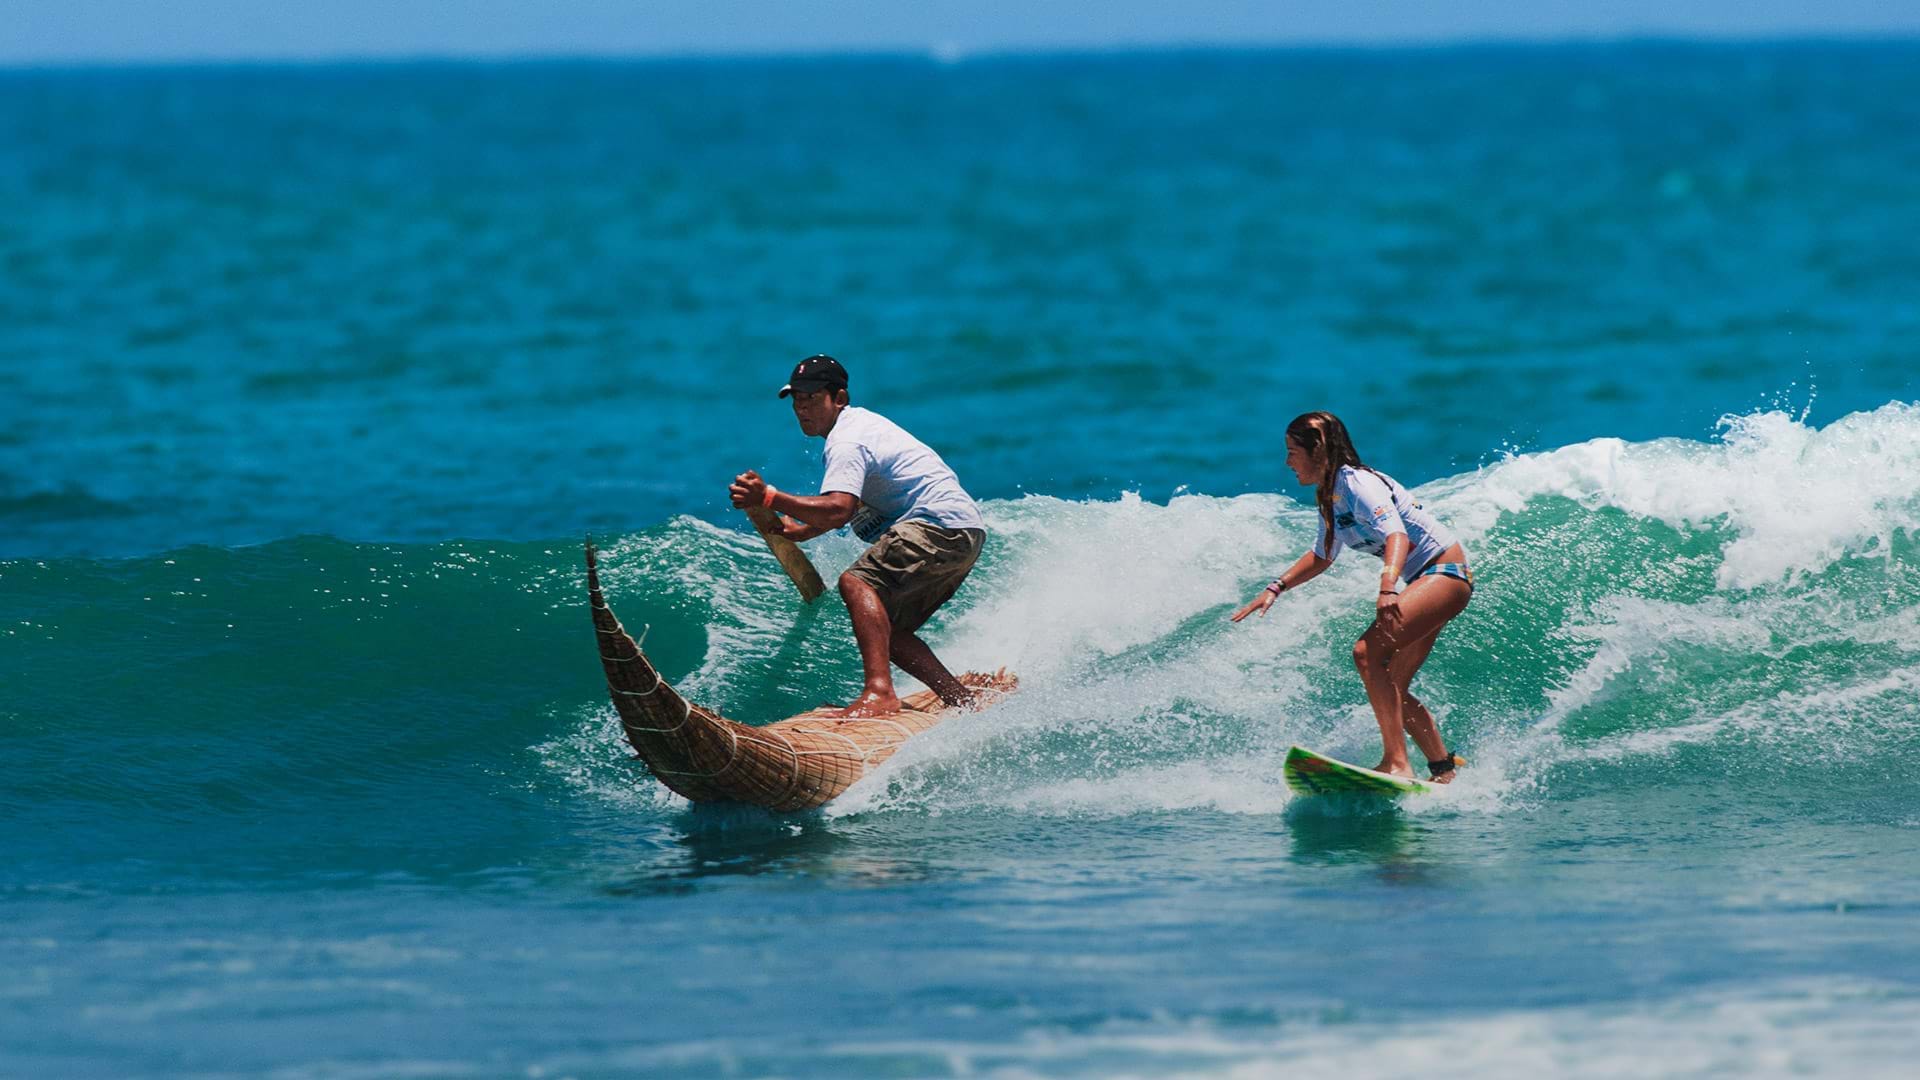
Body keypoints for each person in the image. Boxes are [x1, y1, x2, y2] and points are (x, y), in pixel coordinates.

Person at [729, 355, 988, 718]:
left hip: (936, 524)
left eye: (812, 398)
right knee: (886, 631)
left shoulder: (847, 440)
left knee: (855, 583)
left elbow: (838, 508)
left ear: (840, 398)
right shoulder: (862, 429)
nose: (802, 408)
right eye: (797, 400)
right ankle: (961, 701)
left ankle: (879, 693)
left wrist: (770, 498)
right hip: (965, 532)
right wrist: (800, 531)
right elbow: (844, 509)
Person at [1230, 411, 1474, 782]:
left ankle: (1396, 763)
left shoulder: (1358, 483)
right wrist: (1275, 587)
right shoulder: (1329, 495)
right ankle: (1443, 769)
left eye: (1293, 451)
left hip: (1444, 574)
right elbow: (1322, 554)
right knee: (1390, 682)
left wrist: (1388, 585)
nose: (1287, 462)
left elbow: (1397, 535)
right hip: (1427, 580)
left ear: (1318, 450)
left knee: (1366, 652)